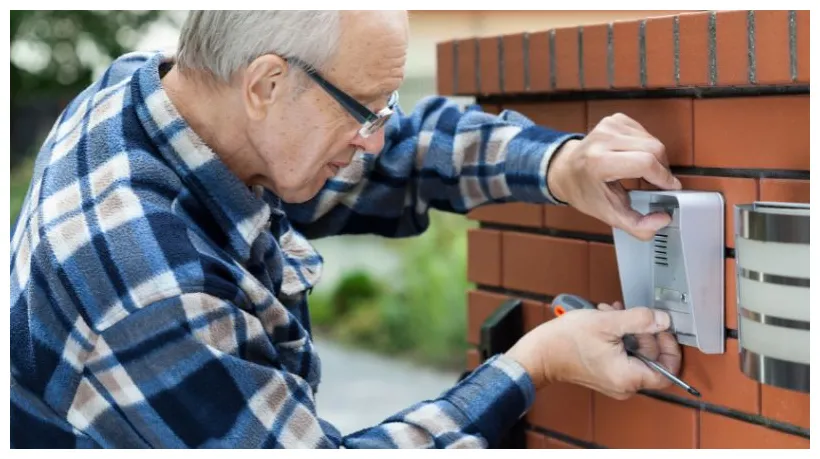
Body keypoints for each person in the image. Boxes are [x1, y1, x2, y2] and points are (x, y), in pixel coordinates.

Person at [10, 10, 683, 448]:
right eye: (365, 110)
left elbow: (402, 155)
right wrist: (532, 364)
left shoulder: (162, 101)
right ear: (266, 85)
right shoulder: (146, 285)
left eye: (385, 106)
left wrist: (559, 164)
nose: (376, 137)